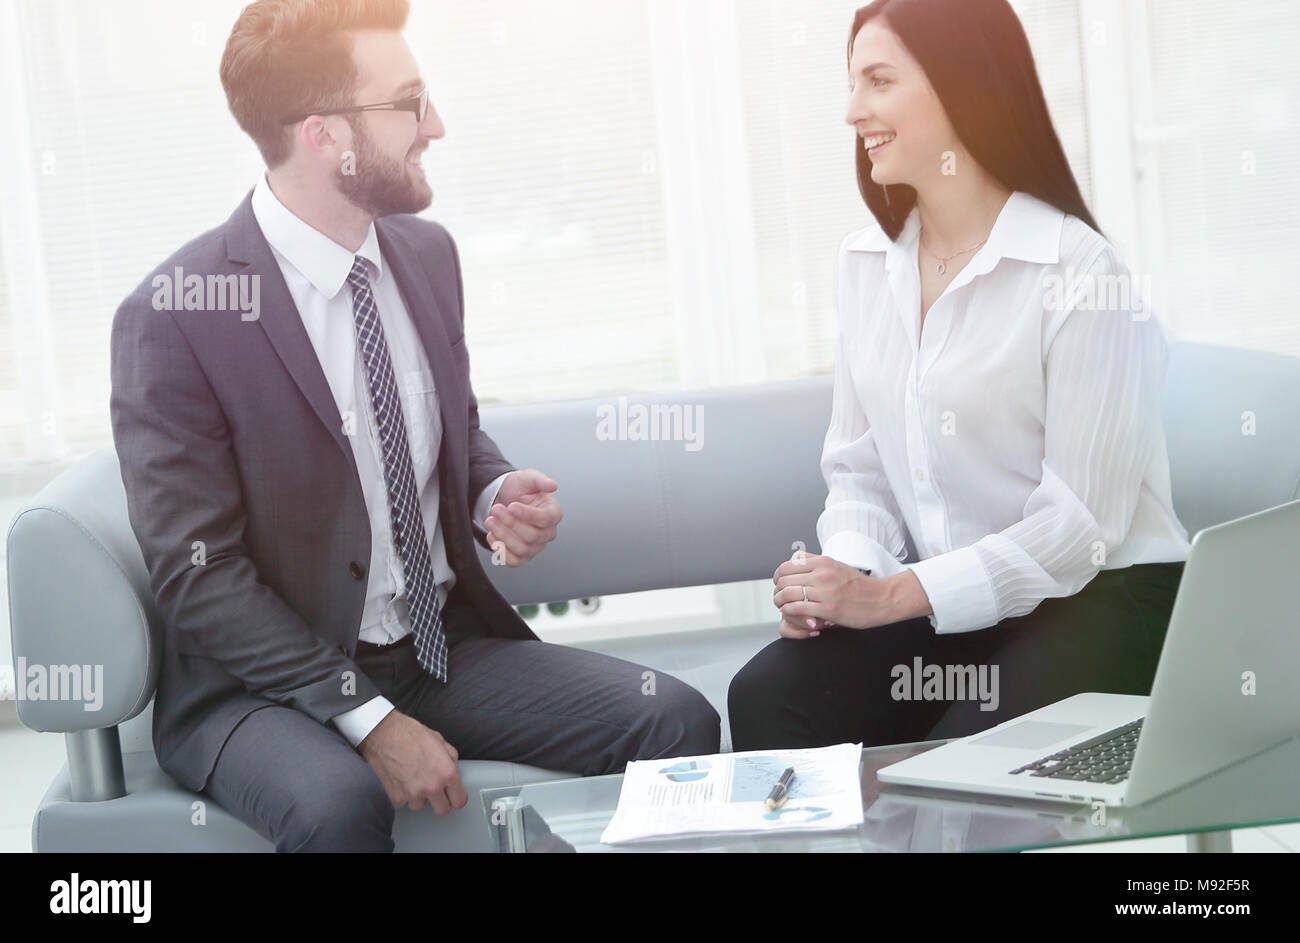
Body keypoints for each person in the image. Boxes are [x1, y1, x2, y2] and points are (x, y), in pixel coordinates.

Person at [109, 0, 718, 852]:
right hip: (264, 688)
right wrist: (368, 719)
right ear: (324, 134)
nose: (435, 125)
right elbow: (198, 576)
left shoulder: (426, 257)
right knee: (338, 806)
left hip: (437, 646)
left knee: (677, 723)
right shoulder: (176, 315)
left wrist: (493, 490)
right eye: (409, 102)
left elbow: (450, 431)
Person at [728, 0, 1190, 752]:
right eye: (852, 84)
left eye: (878, 81)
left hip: (1105, 600)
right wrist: (839, 584)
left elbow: (1079, 529)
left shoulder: (1080, 272)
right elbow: (860, 472)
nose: (853, 111)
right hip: (958, 603)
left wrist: (887, 598)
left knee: (968, 757)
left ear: (961, 87)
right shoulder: (866, 266)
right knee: (772, 695)